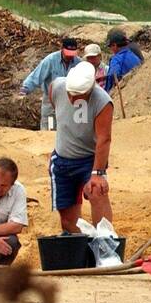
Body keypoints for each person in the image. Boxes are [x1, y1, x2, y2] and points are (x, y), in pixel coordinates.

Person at [48, 61, 114, 233]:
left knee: (97, 191)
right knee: (68, 220)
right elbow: (57, 105)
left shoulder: (102, 101)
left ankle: (104, 242)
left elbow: (104, 138)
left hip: (89, 159)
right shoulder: (57, 87)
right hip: (63, 159)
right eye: (70, 94)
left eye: (78, 95)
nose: (71, 99)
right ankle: (81, 248)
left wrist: (98, 173)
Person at [20, 36, 81, 130]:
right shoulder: (51, 60)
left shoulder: (78, 63)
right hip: (50, 100)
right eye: (68, 53)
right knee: (49, 127)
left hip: (69, 100)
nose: (70, 56)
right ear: (62, 49)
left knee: (66, 129)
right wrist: (25, 89)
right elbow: (37, 75)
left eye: (72, 54)